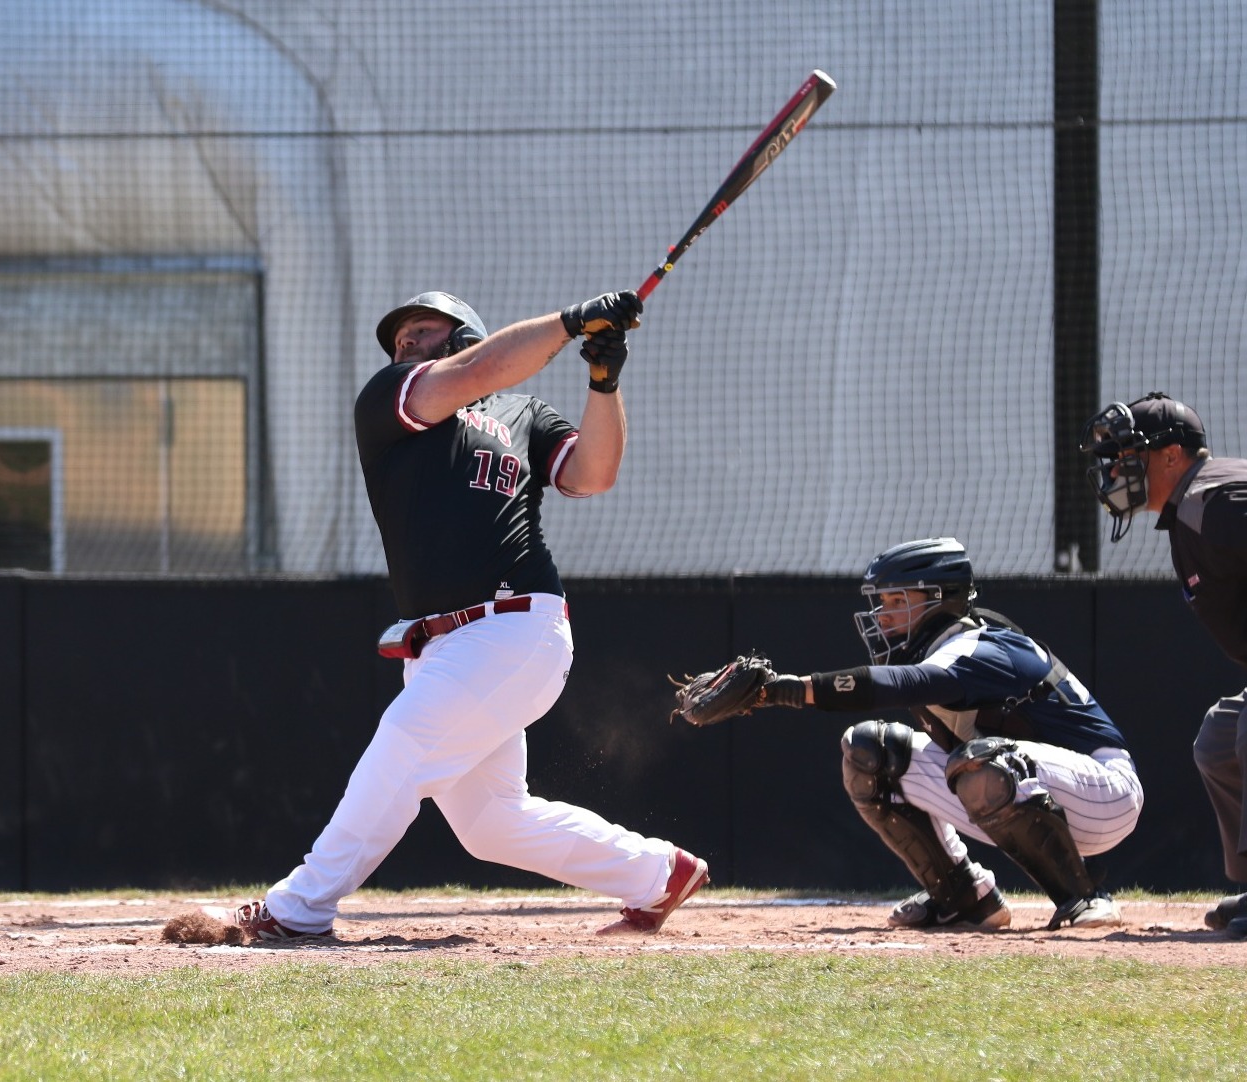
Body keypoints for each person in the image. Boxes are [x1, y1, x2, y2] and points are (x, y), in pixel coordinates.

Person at [201, 288, 708, 942]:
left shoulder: (521, 412)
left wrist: (603, 381)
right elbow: (476, 373)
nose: (403, 343)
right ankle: (657, 874)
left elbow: (593, 474)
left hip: (513, 625)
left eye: (421, 330)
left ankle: (297, 908)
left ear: (467, 332)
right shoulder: (391, 396)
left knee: (402, 750)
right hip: (443, 646)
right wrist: (571, 322)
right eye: (399, 338)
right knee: (492, 822)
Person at [744, 537, 1141, 931]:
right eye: (882, 602)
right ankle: (965, 898)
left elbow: (910, 682)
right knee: (870, 752)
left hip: (1104, 793)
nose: (883, 615)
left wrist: (789, 689)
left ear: (940, 599)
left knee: (982, 761)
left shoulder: (979, 646)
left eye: (898, 602)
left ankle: (1085, 896)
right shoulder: (944, 647)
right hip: (1038, 781)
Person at [1081, 392, 1247, 938]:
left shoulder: (1215, 498)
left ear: (1172, 455)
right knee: (1220, 739)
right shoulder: (1190, 511)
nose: (1115, 469)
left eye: (1129, 454)